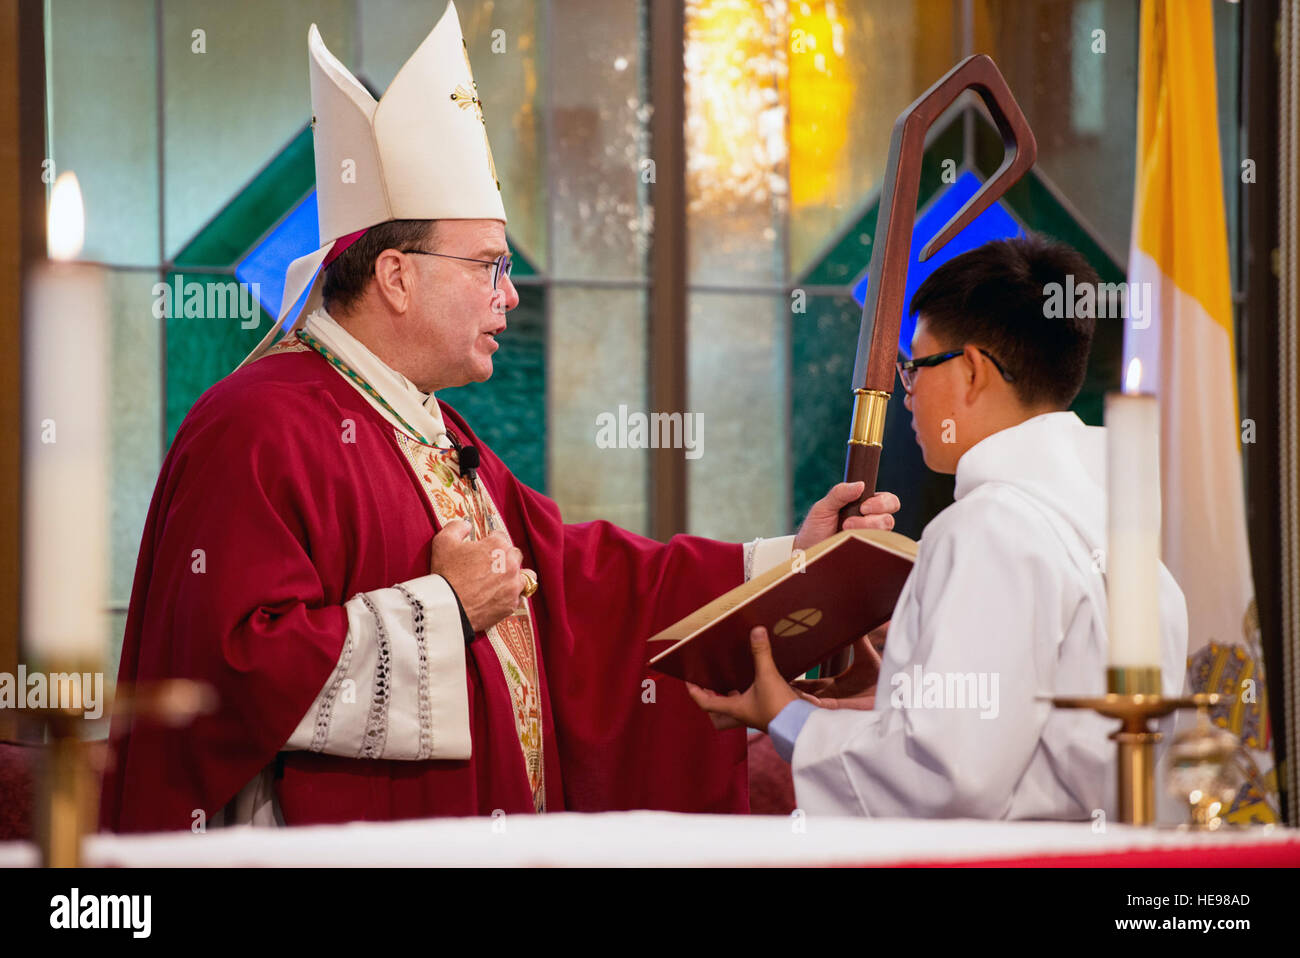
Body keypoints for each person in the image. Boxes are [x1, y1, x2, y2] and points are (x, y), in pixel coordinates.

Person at [99, 2, 898, 832]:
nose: (511, 294)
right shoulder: (258, 425)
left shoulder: (425, 425)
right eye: (488, 265)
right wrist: (443, 609)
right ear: (397, 276)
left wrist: (791, 566)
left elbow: (591, 588)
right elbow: (226, 673)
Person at [689, 234, 1189, 820]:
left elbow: (945, 781)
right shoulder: (1121, 534)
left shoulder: (990, 526)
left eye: (915, 366)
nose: (907, 394)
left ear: (972, 371)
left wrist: (787, 718)